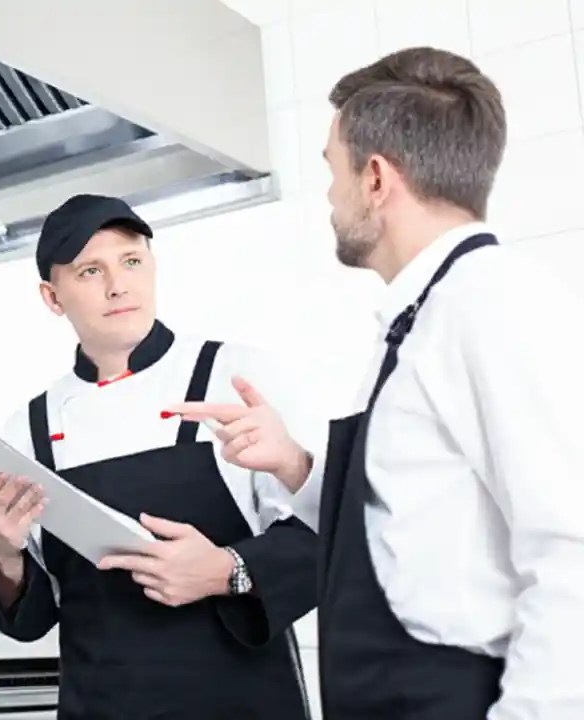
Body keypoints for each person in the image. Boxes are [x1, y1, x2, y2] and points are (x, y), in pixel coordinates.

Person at [168, 47, 584, 719]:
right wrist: (297, 466)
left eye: (333, 170)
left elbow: (574, 553)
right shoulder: (424, 318)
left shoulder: (492, 304)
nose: (331, 196)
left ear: (376, 179)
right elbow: (421, 525)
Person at [0, 193, 321, 719]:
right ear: (52, 296)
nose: (118, 285)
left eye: (131, 261)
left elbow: (329, 538)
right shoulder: (28, 429)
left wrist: (227, 570)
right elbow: (30, 618)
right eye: (90, 271)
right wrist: (4, 551)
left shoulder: (237, 378)